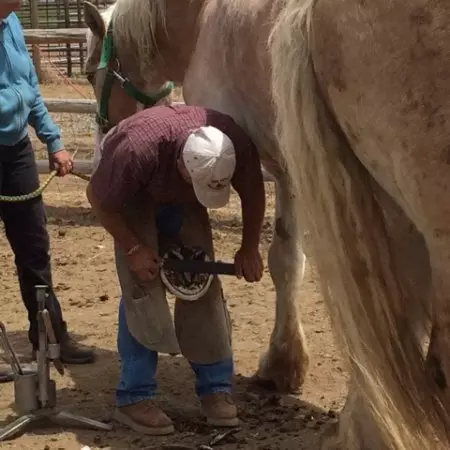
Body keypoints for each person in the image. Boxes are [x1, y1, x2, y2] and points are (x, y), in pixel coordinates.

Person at [87, 104, 266, 435]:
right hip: (132, 194)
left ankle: (216, 389)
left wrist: (250, 246)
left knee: (202, 283)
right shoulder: (135, 150)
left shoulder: (231, 143)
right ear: (183, 166)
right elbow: (99, 200)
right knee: (143, 289)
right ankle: (135, 396)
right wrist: (133, 248)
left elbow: (254, 190)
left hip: (183, 198)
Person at [0, 2, 95, 364]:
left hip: (16, 149)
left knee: (35, 248)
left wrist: (54, 141)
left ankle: (49, 336)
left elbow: (30, 89)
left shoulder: (12, 24)